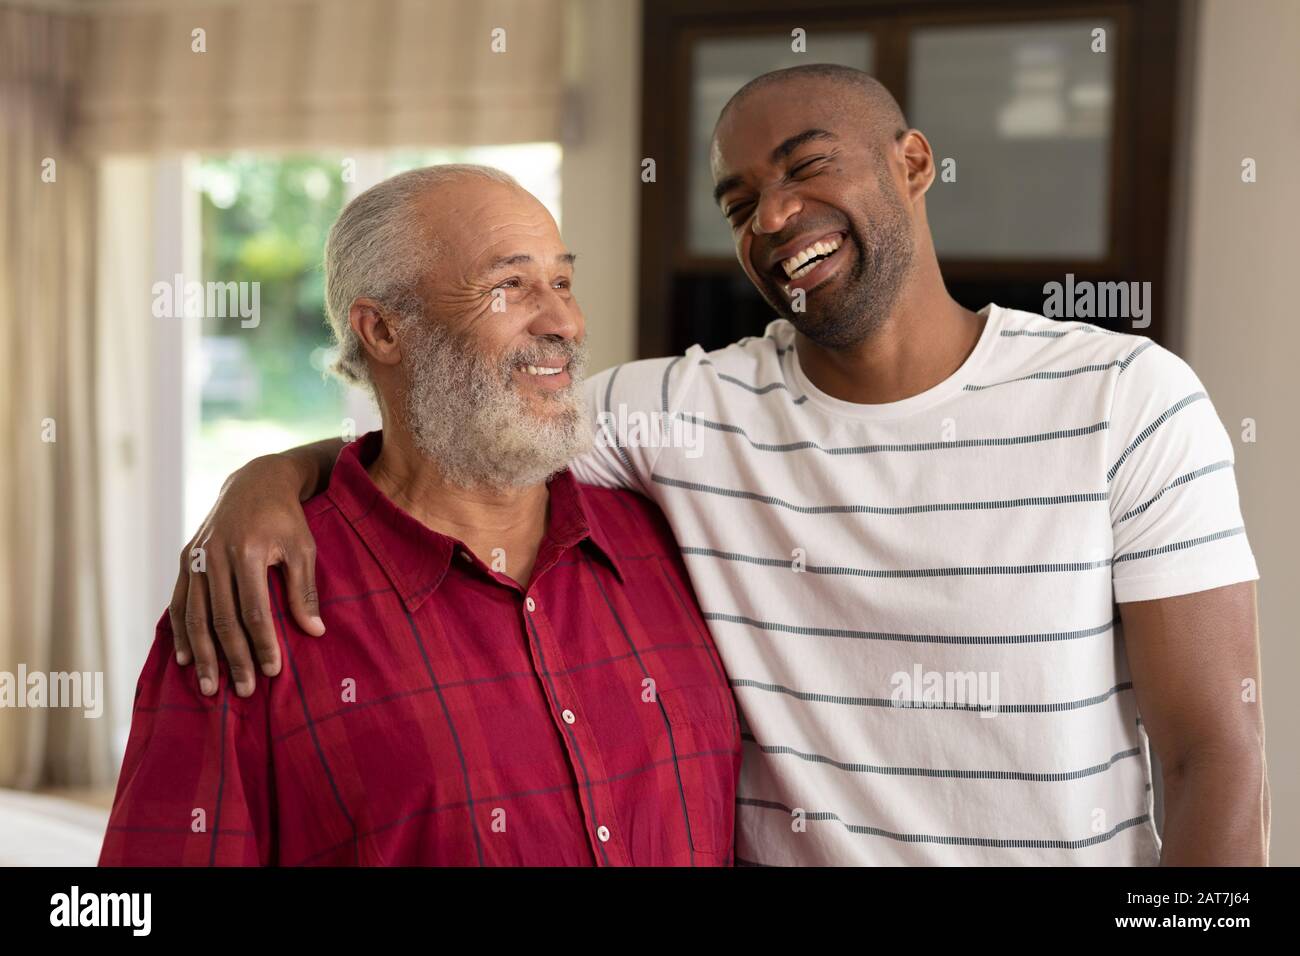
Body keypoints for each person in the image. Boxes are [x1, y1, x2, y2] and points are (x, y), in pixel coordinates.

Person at [170, 67, 1268, 866]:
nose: (775, 216)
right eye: (740, 203)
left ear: (914, 162)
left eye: (804, 168)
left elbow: (1214, 751)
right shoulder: (679, 413)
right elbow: (463, 420)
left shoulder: (1126, 399)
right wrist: (269, 474)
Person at [100, 165, 740, 866]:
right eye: (509, 286)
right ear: (381, 330)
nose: (565, 322)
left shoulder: (670, 539)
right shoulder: (251, 604)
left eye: (562, 282)